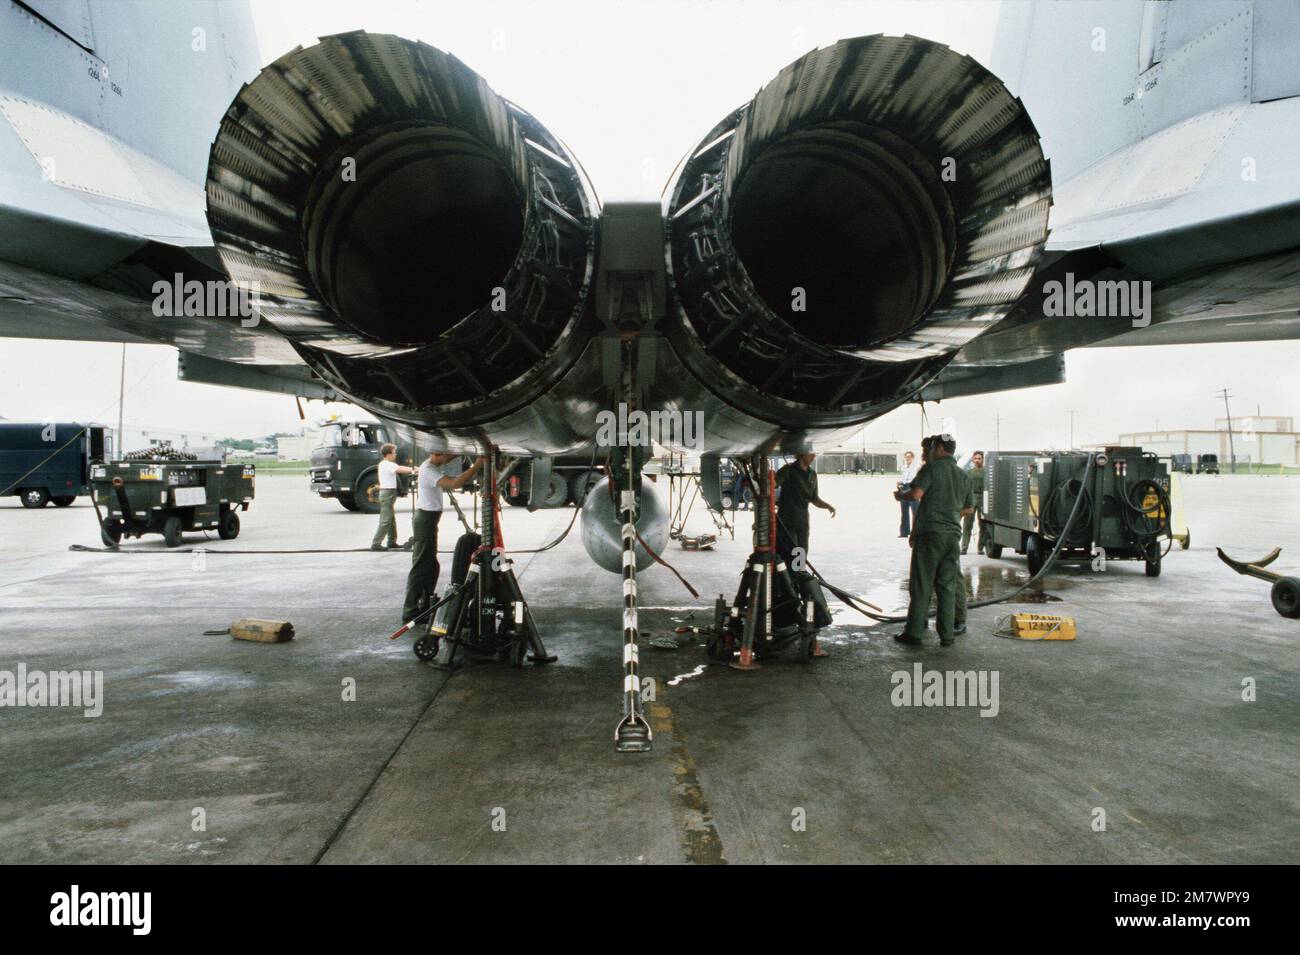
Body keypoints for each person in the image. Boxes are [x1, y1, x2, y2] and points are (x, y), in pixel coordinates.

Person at [894, 434, 974, 647]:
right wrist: (951, 513)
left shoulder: (931, 468)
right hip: (952, 537)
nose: (928, 452)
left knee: (922, 585)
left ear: (939, 448)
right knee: (947, 587)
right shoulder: (963, 475)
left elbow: (916, 494)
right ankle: (947, 636)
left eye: (931, 448)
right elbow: (969, 508)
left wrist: (900, 496)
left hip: (930, 536)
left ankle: (913, 633)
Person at [401, 448, 485, 624]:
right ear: (438, 454)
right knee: (421, 565)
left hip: (429, 519)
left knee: (431, 566)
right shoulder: (429, 470)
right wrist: (477, 465)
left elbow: (447, 459)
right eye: (447, 456)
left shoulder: (432, 465)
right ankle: (410, 611)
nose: (449, 459)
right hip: (425, 519)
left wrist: (463, 450)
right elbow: (455, 484)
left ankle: (424, 605)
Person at [775, 452, 835, 569]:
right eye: (811, 454)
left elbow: (814, 498)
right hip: (787, 520)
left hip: (802, 521)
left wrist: (827, 506)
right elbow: (774, 483)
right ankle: (787, 581)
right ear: (802, 454)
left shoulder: (812, 474)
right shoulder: (788, 470)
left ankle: (799, 580)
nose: (813, 457)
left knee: (802, 552)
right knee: (789, 552)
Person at [371, 443, 418, 551]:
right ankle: (376, 543)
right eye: (394, 453)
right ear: (388, 454)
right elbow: (400, 469)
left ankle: (391, 542)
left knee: (391, 519)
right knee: (386, 520)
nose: (395, 455)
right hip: (387, 494)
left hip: (389, 494)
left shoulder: (386, 464)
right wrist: (414, 470)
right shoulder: (387, 464)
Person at [962, 450, 987, 556]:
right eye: (975, 458)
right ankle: (964, 547)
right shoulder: (969, 472)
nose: (977, 460)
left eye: (979, 458)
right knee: (967, 524)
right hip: (971, 498)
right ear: (973, 459)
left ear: (982, 460)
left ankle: (980, 547)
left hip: (983, 499)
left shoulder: (986, 472)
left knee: (983, 524)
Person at [896, 450, 920, 537]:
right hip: (904, 487)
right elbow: (902, 476)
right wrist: (899, 482)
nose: (907, 458)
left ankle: (915, 532)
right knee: (904, 510)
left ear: (913, 458)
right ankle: (904, 532)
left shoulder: (917, 467)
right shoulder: (903, 467)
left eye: (909, 457)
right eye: (906, 457)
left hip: (912, 488)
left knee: (915, 511)